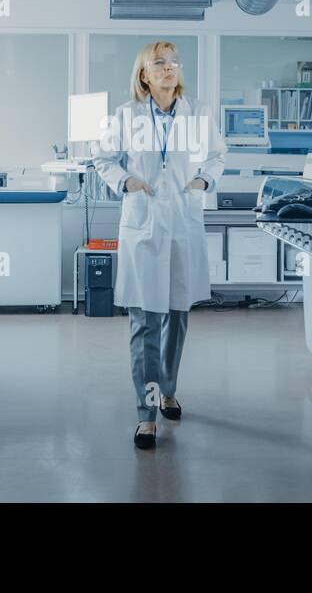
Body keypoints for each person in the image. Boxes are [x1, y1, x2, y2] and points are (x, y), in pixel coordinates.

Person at [93, 41, 225, 449]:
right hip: (144, 225)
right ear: (144, 75)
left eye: (174, 62)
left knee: (177, 315)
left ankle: (168, 388)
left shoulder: (198, 114)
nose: (170, 68)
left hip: (182, 225)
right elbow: (102, 157)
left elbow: (217, 155)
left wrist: (204, 179)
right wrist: (126, 180)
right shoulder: (125, 115)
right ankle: (146, 412)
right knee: (144, 320)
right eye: (159, 63)